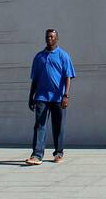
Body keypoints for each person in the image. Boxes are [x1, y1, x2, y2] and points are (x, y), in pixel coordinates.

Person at [27, 28, 75, 165]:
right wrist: (31, 96)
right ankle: (37, 155)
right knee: (39, 126)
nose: (50, 39)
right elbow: (34, 79)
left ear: (57, 39)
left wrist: (66, 95)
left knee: (58, 126)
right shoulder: (39, 57)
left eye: (52, 37)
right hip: (41, 97)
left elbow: (68, 77)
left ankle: (58, 153)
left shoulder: (63, 55)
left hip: (58, 98)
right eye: (48, 37)